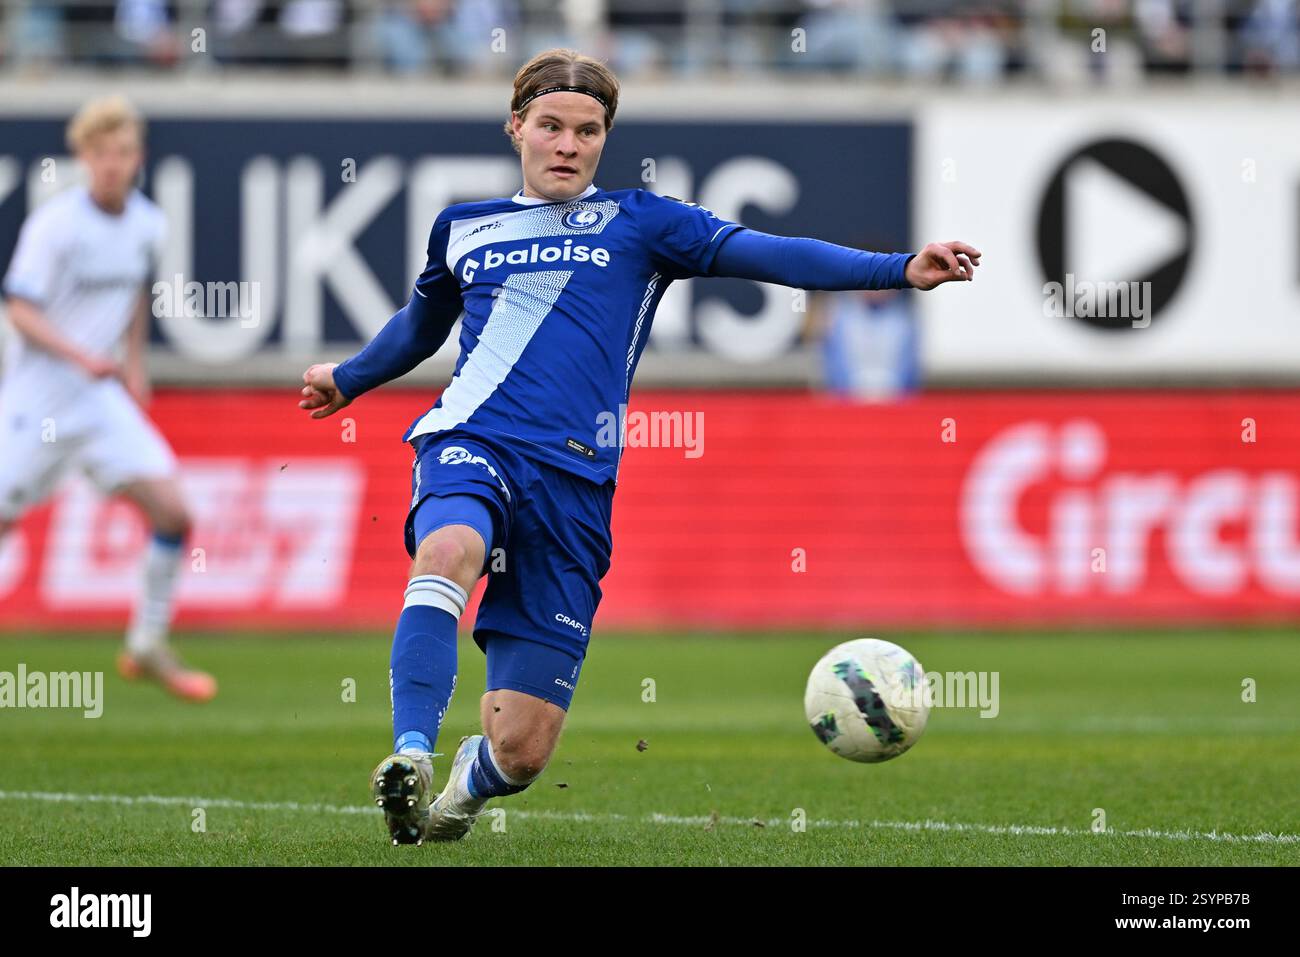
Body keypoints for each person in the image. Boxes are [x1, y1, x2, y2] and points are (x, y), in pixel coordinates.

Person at [297, 47, 979, 845]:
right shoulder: (464, 226)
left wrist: (898, 269)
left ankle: (466, 784)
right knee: (448, 546)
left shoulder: (645, 223)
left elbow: (769, 253)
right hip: (471, 439)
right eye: (550, 126)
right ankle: (409, 751)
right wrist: (350, 377)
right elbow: (422, 324)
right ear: (516, 126)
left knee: (522, 748)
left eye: (587, 131)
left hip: (574, 487)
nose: (567, 144)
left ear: (603, 140)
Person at [0, 95, 215, 702]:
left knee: (173, 512)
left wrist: (135, 366)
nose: (112, 164)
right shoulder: (56, 224)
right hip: (37, 400)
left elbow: (133, 300)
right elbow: (19, 308)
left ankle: (146, 642)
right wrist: (80, 356)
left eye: (122, 153)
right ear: (83, 158)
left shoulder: (148, 222)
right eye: (100, 154)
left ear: (137, 157)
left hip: (100, 401)